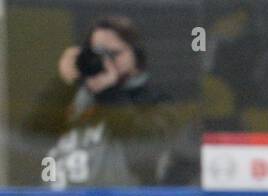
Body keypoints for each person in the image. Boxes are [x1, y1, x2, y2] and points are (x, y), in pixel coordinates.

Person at [30, 16, 184, 187]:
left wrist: (109, 92)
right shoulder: (73, 94)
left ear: (136, 56)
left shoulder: (156, 100)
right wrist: (63, 84)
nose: (105, 61)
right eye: (97, 53)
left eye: (113, 54)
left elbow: (144, 146)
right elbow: (34, 135)